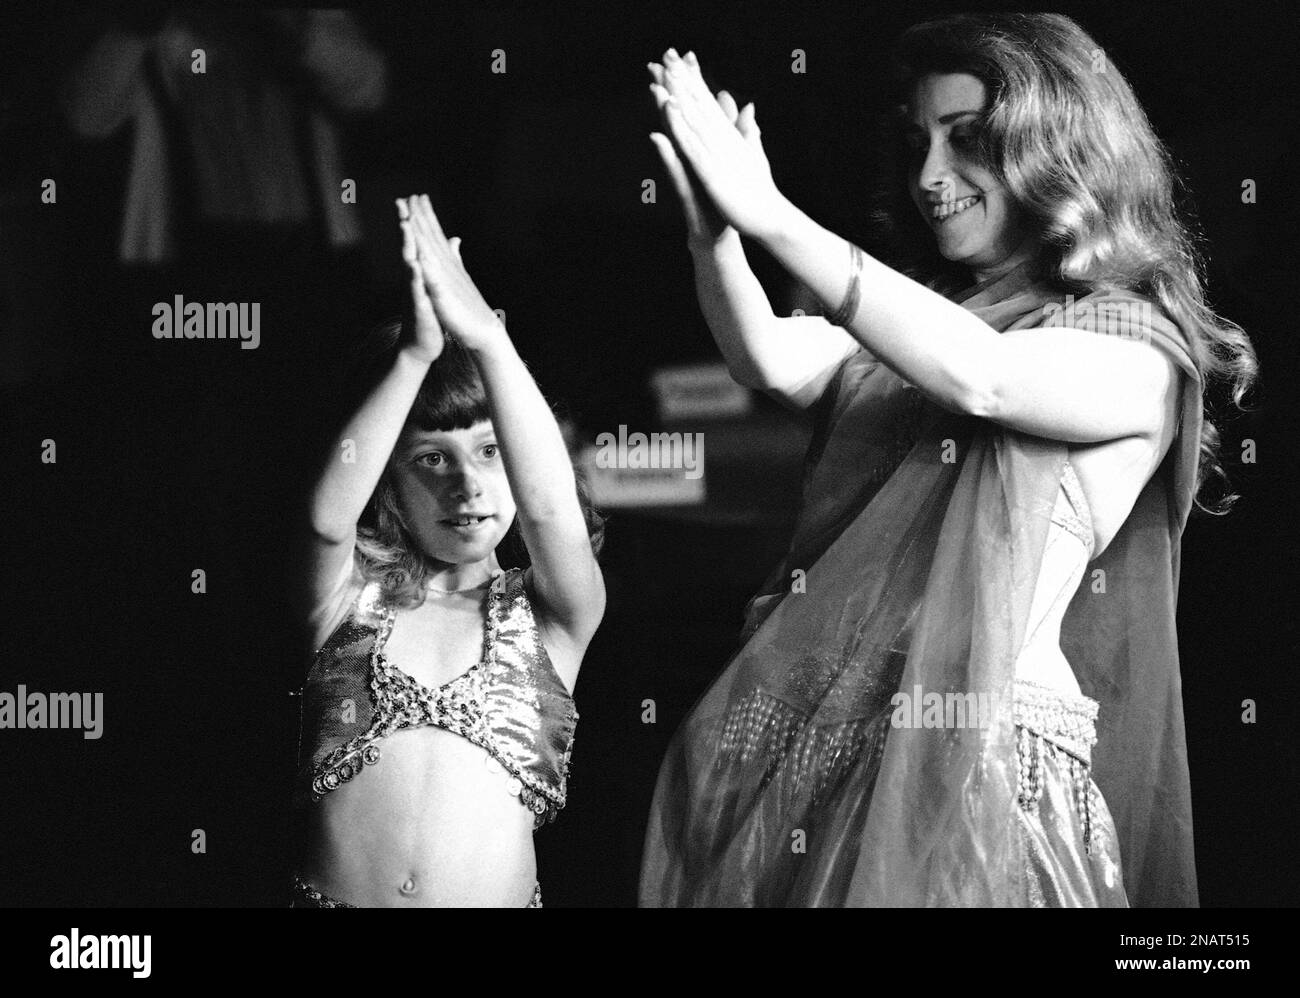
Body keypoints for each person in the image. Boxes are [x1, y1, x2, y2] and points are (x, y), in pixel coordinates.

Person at [640, 14, 1256, 907]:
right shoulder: (931, 321)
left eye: (966, 141)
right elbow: (769, 357)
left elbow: (985, 380)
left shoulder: (1138, 350)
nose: (931, 177)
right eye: (919, 140)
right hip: (835, 757)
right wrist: (716, 234)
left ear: (1054, 148)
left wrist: (771, 211)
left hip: (988, 771)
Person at [292, 194, 606, 907]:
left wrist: (492, 344)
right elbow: (324, 520)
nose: (467, 487)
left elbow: (554, 510)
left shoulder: (555, 614)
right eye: (432, 460)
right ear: (386, 481)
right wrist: (415, 357)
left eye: (491, 452)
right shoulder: (345, 599)